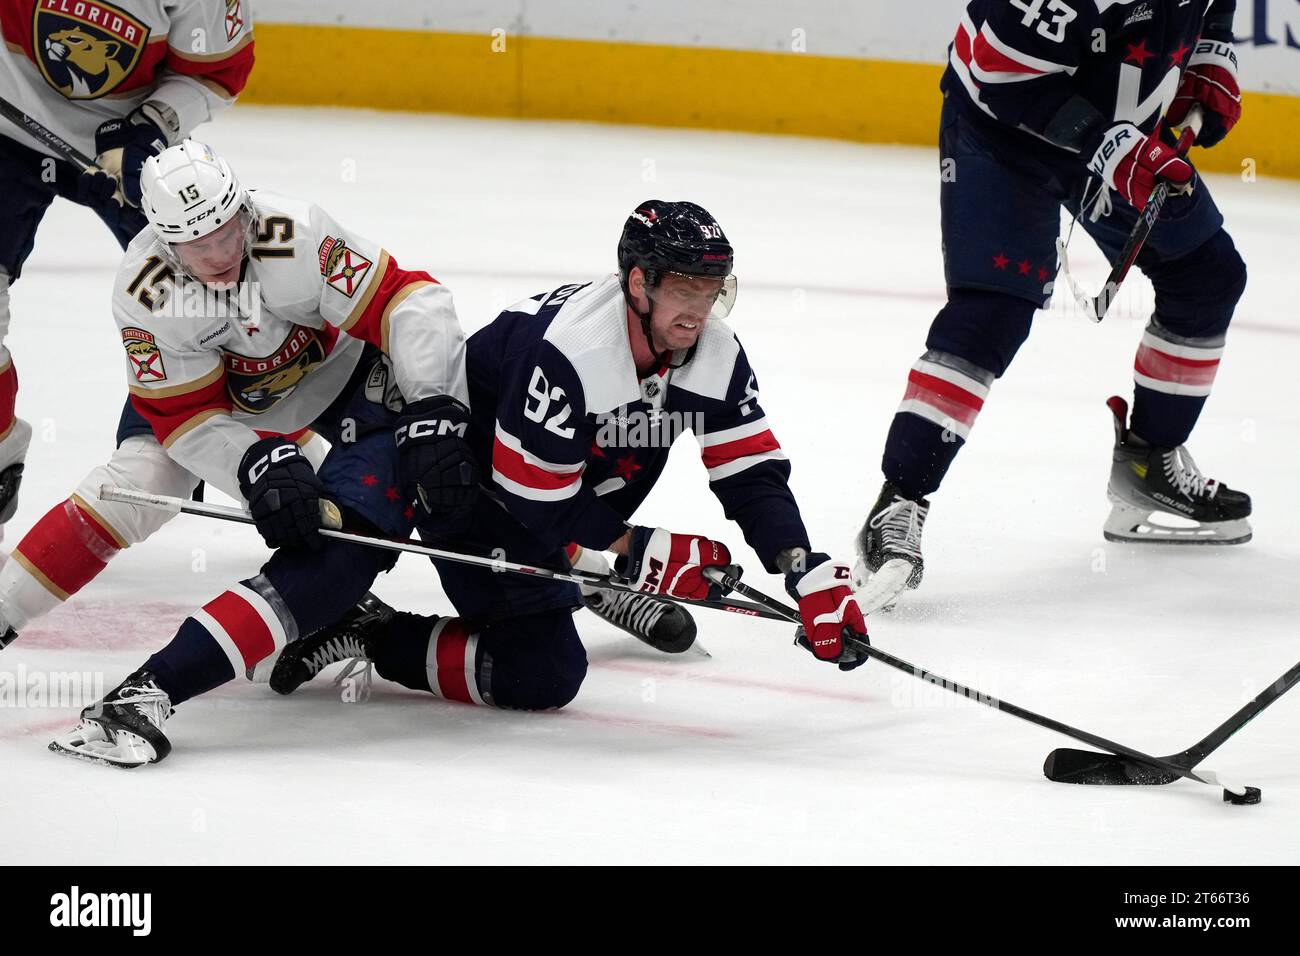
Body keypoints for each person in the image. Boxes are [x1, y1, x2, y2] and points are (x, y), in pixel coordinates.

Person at [270, 201, 870, 720]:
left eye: (712, 293)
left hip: (564, 494)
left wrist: (800, 565)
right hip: (477, 495)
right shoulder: (571, 350)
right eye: (685, 290)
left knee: (551, 643)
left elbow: (750, 471)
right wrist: (636, 550)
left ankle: (589, 569)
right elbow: (532, 490)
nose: (700, 311)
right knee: (541, 674)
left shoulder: (713, 351)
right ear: (639, 284)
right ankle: (375, 630)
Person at [48, 139, 476, 766]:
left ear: (244, 208)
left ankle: (600, 574)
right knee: (337, 552)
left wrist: (434, 407)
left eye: (227, 231)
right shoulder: (148, 292)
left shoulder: (294, 232)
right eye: (199, 245)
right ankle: (147, 694)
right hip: (264, 409)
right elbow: (185, 416)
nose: (221, 255)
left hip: (362, 375)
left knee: (470, 465)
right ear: (166, 246)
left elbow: (410, 300)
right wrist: (256, 464)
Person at [855, 0, 1251, 612]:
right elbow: (997, 73)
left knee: (1207, 275)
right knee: (993, 311)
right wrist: (1105, 144)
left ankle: (1148, 467)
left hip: (1123, 127)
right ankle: (899, 501)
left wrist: (1210, 49)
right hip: (1003, 131)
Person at [0, 1, 255, 543]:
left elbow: (215, 72)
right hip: (7, 126)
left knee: (218, 294)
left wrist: (147, 130)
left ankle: (199, 437)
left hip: (123, 144)